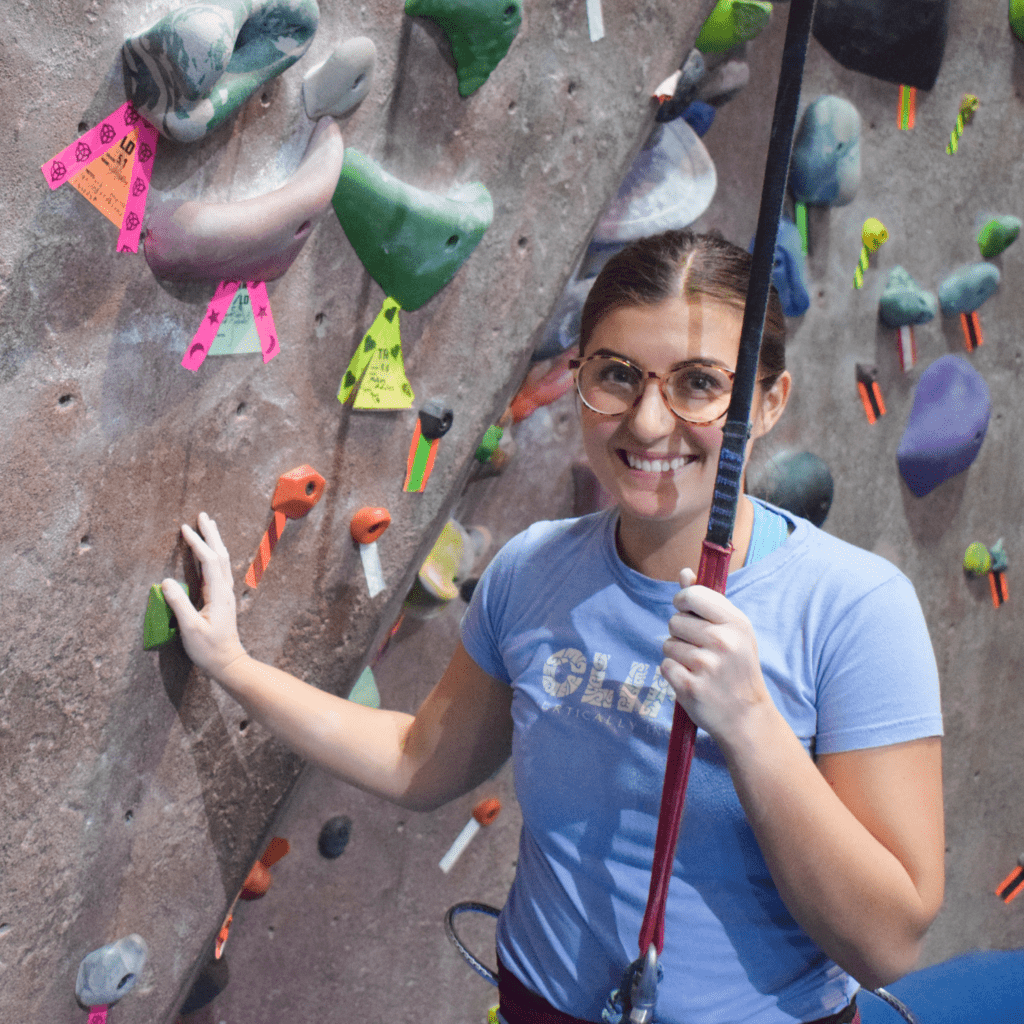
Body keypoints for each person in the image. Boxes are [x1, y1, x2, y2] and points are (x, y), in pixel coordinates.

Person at [162, 230, 944, 1024]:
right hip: (539, 1002)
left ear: (769, 402)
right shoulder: (534, 569)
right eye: (617, 375)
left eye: (700, 383)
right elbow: (417, 760)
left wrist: (751, 725)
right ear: (579, 380)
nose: (648, 422)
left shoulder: (854, 609)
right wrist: (232, 664)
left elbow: (886, 943)